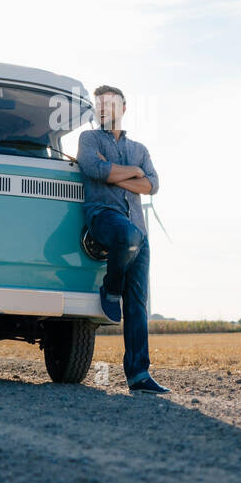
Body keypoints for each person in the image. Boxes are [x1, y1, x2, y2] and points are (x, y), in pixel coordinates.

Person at [75, 84, 169, 394]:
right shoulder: (88, 139)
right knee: (125, 234)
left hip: (137, 229)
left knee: (138, 305)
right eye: (99, 104)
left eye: (110, 104)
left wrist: (115, 172)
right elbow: (93, 168)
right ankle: (110, 290)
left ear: (123, 109)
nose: (104, 108)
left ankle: (139, 375)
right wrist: (133, 173)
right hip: (103, 218)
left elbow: (153, 184)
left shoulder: (139, 148)